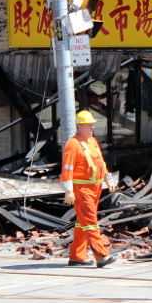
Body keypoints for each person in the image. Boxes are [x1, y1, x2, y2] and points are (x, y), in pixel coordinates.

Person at [61, 110, 117, 268]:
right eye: (89, 125)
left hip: (95, 186)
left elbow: (100, 162)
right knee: (91, 222)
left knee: (82, 222)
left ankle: (77, 256)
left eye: (92, 125)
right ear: (80, 126)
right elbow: (67, 168)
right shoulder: (73, 144)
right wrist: (68, 189)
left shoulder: (92, 141)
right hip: (82, 188)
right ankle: (101, 255)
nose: (92, 127)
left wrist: (108, 179)